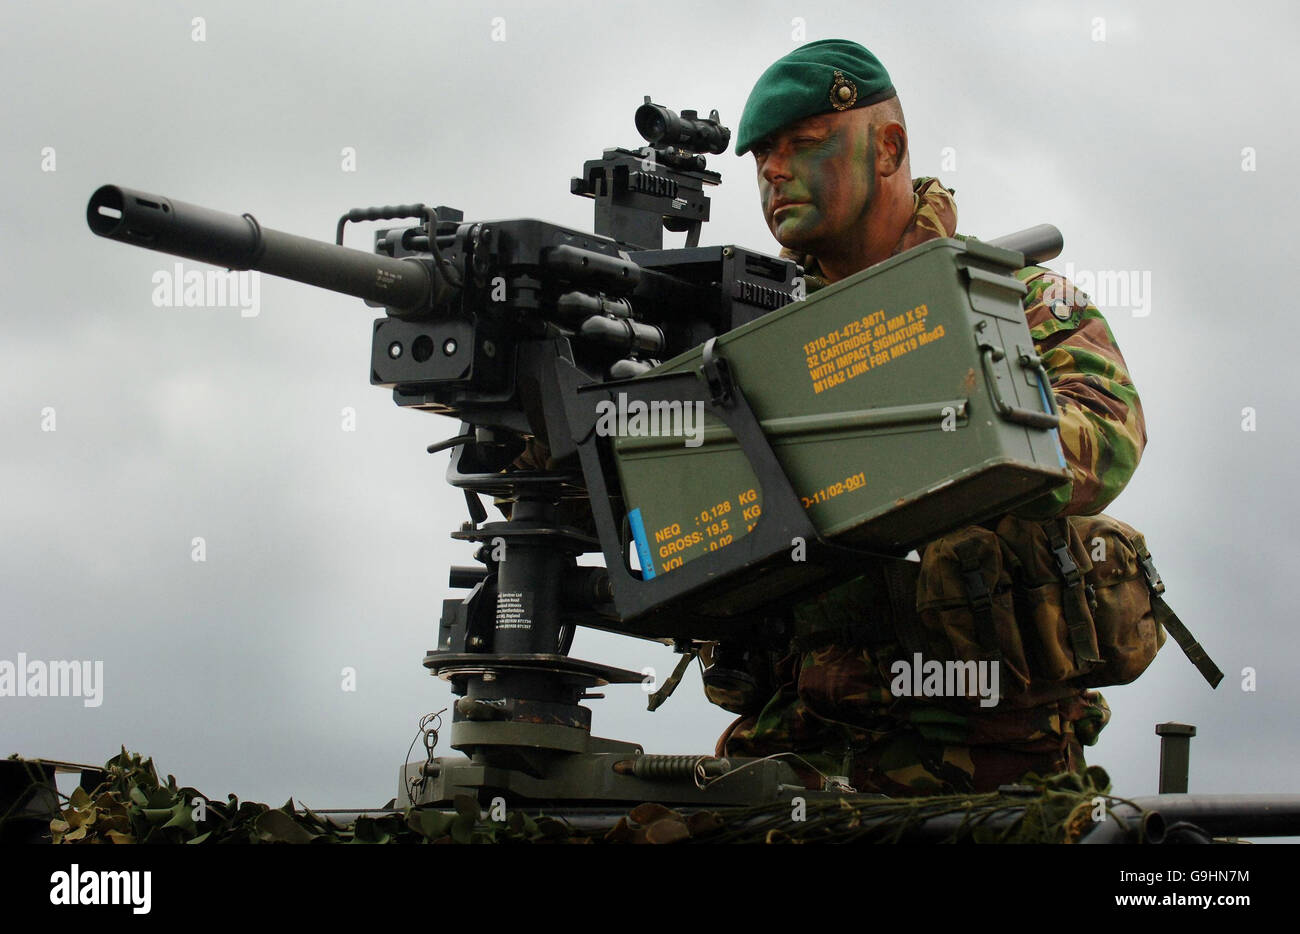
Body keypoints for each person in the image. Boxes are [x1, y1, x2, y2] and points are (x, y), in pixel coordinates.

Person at [710, 39, 1147, 796]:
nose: (774, 171)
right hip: (797, 760)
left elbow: (1108, 437)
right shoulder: (749, 346)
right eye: (761, 159)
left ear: (890, 148)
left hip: (989, 760)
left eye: (804, 146)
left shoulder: (1016, 296)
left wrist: (936, 436)